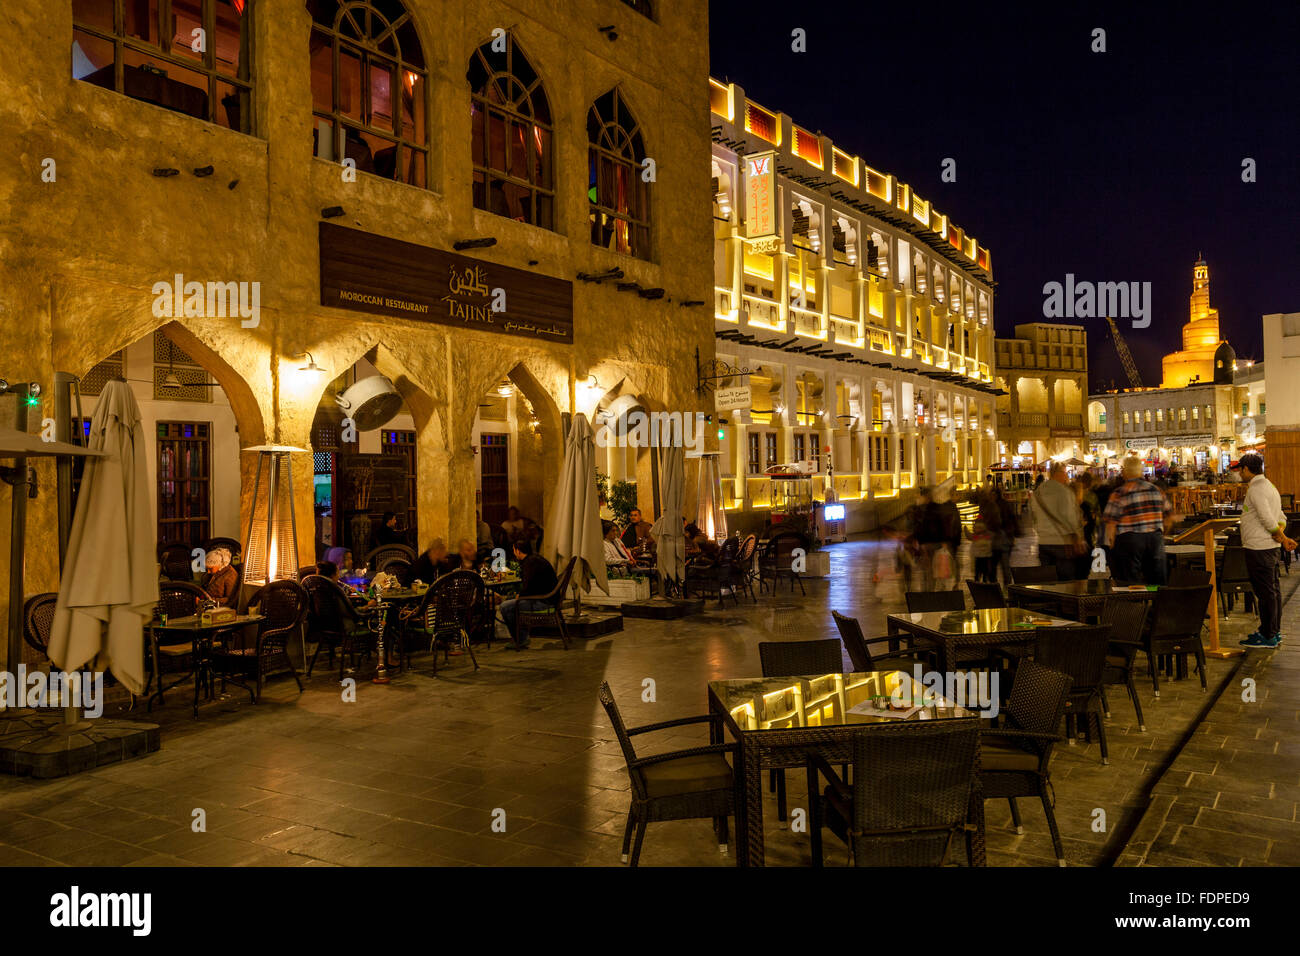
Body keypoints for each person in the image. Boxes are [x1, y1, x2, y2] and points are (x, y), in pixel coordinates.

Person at [1236, 454, 1297, 648]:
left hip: (1259, 547)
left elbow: (1266, 518)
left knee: (1265, 593)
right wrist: (1280, 533)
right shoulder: (1269, 486)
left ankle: (1268, 635)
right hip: (1268, 547)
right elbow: (1280, 516)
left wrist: (1281, 536)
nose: (1239, 473)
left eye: (1240, 469)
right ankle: (1273, 631)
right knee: (1272, 590)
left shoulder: (1256, 489)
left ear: (1246, 469)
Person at [1102, 455, 1173, 584]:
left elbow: (1110, 522)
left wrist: (1111, 544)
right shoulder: (1156, 490)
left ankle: (1136, 600)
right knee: (1155, 578)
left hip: (1130, 541)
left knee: (1130, 578)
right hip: (1154, 539)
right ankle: (1153, 599)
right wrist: (1162, 534)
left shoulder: (1120, 492)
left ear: (1125, 472)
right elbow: (1169, 516)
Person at [1031, 461, 1085, 581]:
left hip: (1043, 542)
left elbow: (1033, 516)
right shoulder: (1065, 492)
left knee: (1048, 580)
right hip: (1063, 543)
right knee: (1065, 581)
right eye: (1065, 473)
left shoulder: (1038, 492)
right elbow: (1070, 517)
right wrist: (1078, 536)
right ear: (1059, 473)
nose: (1066, 476)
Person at [499, 539, 557, 650]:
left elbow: (528, 587)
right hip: (547, 598)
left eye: (514, 550)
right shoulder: (534, 559)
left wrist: (520, 596)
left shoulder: (530, 563)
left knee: (505, 607)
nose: (513, 553)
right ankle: (522, 637)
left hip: (544, 602)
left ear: (518, 551)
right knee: (510, 601)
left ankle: (520, 639)